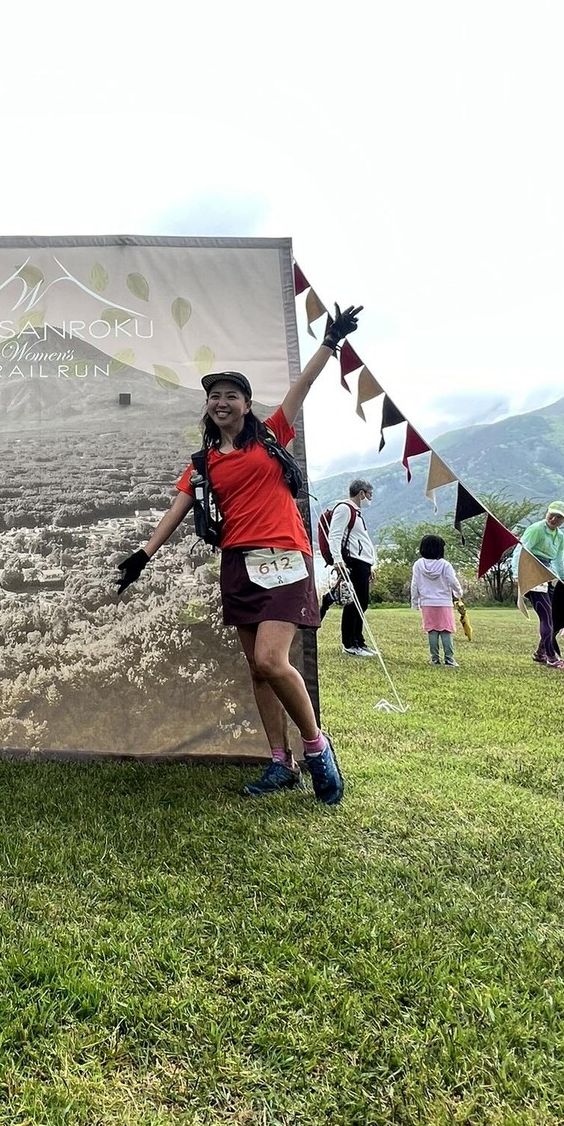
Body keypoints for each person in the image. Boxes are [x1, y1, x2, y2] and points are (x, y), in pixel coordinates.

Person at [115, 304, 363, 805]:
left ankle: (317, 749)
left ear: (247, 405)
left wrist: (330, 343)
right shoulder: (203, 462)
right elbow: (176, 510)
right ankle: (280, 763)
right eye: (214, 396)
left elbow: (303, 387)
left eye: (231, 395)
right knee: (256, 668)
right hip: (239, 565)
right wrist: (142, 556)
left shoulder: (272, 434)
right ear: (208, 407)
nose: (221, 402)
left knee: (273, 659)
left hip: (287, 559)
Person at [320, 480, 378, 657]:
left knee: (362, 602)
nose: (370, 498)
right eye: (369, 494)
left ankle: (358, 641)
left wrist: (370, 564)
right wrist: (338, 560)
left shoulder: (356, 513)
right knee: (354, 603)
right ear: (361, 493)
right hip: (353, 561)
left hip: (362, 562)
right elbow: (335, 535)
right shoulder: (345, 509)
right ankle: (349, 643)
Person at [512, 501, 564, 670]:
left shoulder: (559, 536)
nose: (553, 518)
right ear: (547, 513)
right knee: (547, 617)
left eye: (558, 517)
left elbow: (559, 560)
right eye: (551, 514)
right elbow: (520, 550)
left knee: (557, 617)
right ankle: (552, 658)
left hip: (549, 574)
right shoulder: (536, 529)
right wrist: (517, 574)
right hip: (531, 573)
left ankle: (541, 652)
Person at [410, 534, 463, 666]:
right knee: (446, 630)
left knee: (432, 631)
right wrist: (459, 593)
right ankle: (449, 659)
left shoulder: (418, 564)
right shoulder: (445, 565)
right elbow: (453, 581)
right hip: (444, 602)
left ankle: (434, 659)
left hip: (427, 603)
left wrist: (415, 602)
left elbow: (414, 584)